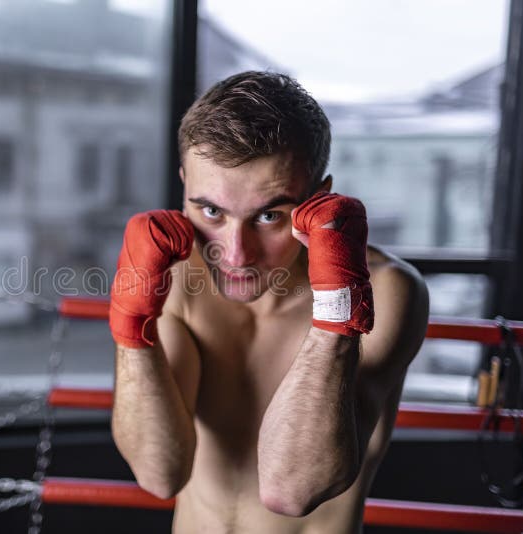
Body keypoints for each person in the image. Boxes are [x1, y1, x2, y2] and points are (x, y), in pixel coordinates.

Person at [109, 71, 429, 533]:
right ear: (183, 186)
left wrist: (336, 311)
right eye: (211, 211)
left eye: (268, 215)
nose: (235, 254)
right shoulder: (176, 278)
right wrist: (129, 330)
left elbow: (292, 490)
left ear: (319, 199)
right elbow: (160, 475)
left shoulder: (387, 291)